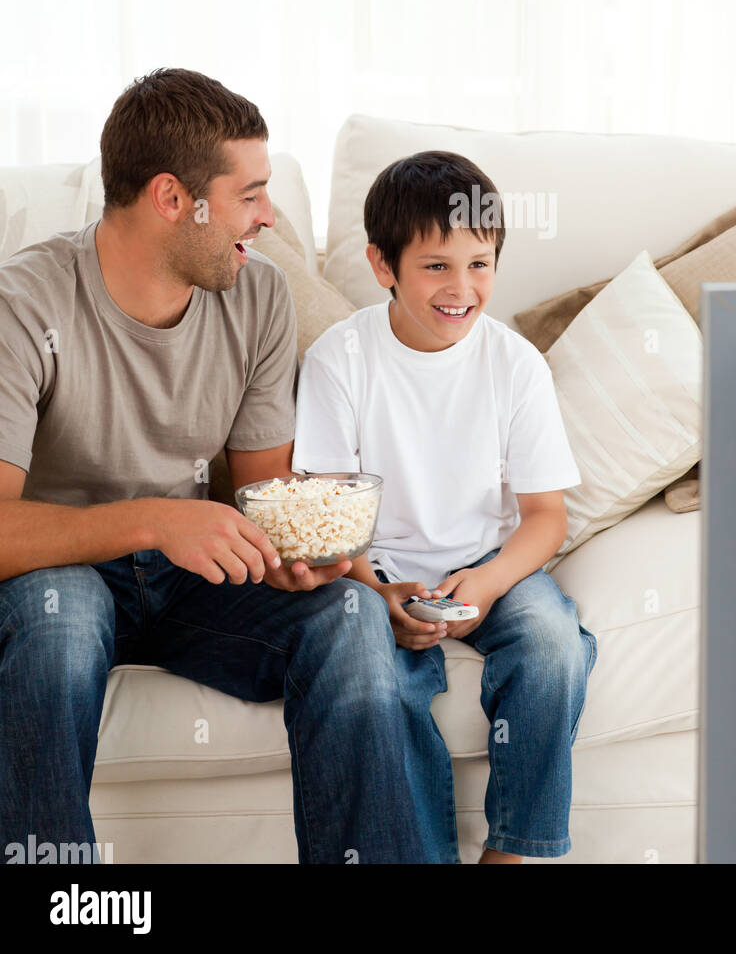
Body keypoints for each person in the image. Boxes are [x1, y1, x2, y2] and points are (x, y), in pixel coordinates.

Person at [0, 67, 431, 864]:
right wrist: (156, 519)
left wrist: (313, 568)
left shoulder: (259, 297)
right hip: (64, 573)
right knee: (58, 624)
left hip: (194, 577)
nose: (269, 218)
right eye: (251, 194)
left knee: (347, 621)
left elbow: (263, 496)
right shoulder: (25, 304)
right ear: (173, 199)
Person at [292, 150, 598, 865]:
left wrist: (487, 584)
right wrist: (376, 588)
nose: (461, 288)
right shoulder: (340, 359)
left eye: (480, 264)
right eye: (436, 266)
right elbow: (327, 520)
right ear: (382, 265)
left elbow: (544, 516)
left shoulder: (515, 363)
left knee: (555, 646)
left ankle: (513, 851)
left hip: (488, 564)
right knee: (379, 686)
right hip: (378, 568)